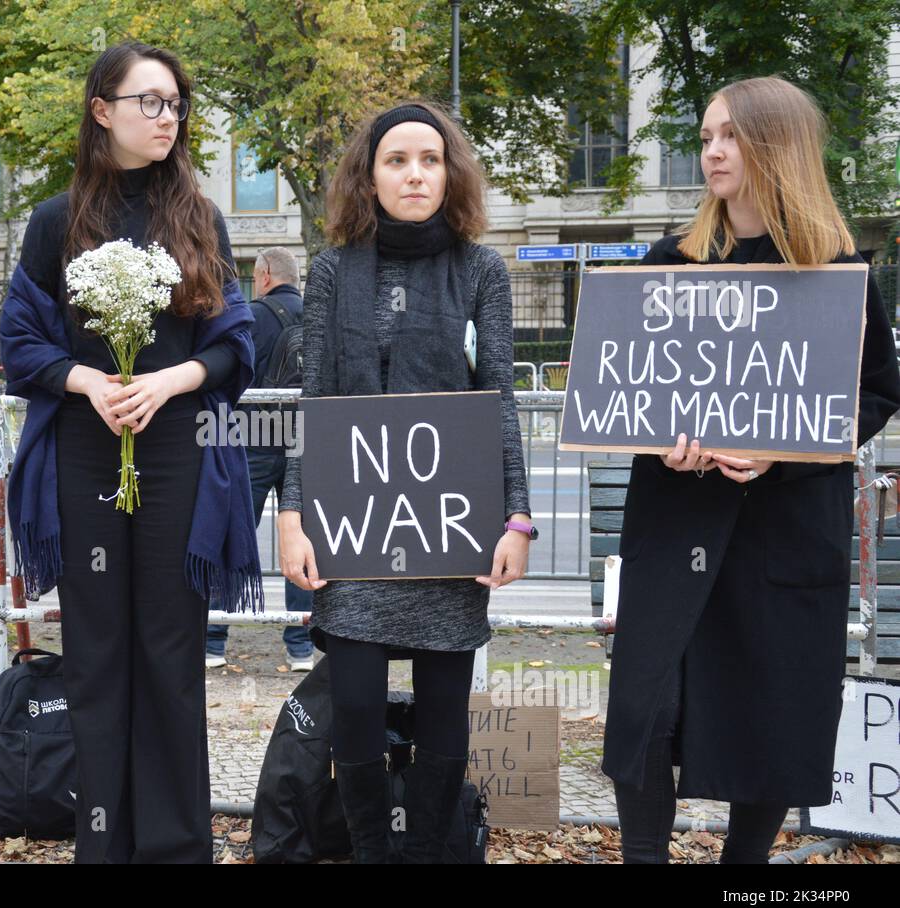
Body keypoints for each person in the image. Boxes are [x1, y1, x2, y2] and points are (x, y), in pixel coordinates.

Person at [600, 76, 900, 863]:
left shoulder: (836, 270)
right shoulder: (669, 262)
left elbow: (876, 393)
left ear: (777, 147)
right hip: (677, 524)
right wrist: (659, 436)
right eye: (706, 137)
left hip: (786, 531)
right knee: (648, 704)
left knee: (775, 708)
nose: (712, 152)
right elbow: (625, 391)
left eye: (729, 136)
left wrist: (786, 448)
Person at [0, 41, 263, 863]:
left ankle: (178, 847)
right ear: (101, 109)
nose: (167, 117)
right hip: (83, 454)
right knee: (98, 653)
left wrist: (173, 380)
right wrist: (85, 380)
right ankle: (104, 844)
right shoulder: (55, 219)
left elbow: (237, 344)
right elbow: (18, 341)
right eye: (149, 101)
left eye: (176, 103)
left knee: (170, 652)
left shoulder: (200, 216)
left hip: (179, 454)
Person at [277, 101, 533, 863]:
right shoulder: (330, 272)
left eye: (430, 159)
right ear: (371, 175)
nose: (414, 173)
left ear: (450, 172)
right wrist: (292, 514)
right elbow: (313, 402)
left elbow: (500, 403)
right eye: (397, 160)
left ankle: (427, 849)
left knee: (445, 712)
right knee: (353, 703)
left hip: (450, 521)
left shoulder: (482, 269)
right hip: (354, 522)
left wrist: (515, 517)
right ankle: (368, 851)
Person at [205, 246, 314, 672]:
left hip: (253, 438)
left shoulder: (251, 316)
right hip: (305, 441)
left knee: (232, 537)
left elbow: (228, 370)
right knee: (302, 542)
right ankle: (300, 644)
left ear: (265, 275)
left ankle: (213, 640)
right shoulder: (319, 315)